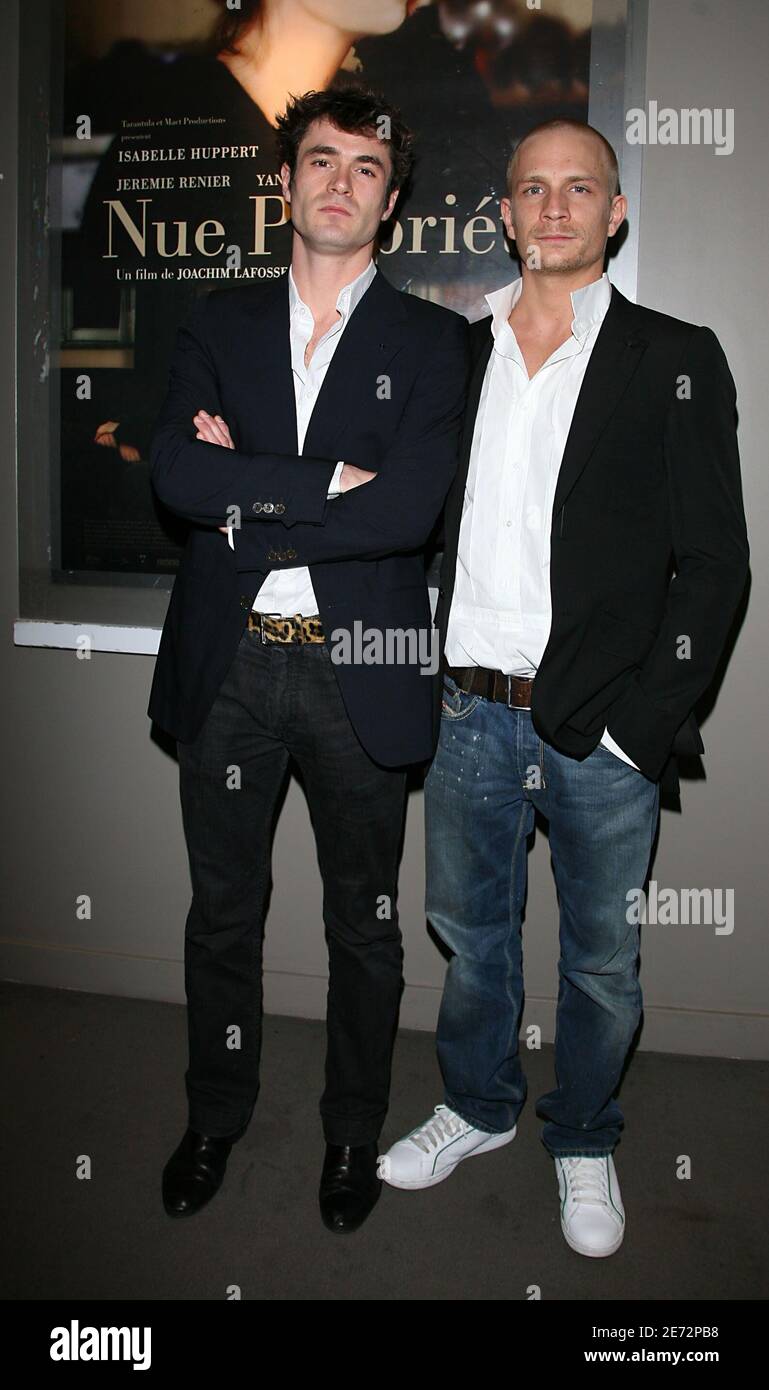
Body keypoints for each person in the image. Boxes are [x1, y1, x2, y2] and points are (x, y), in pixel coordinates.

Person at [378, 118, 750, 1257]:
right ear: (504, 214)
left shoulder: (674, 355)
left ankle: (583, 1134)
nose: (553, 206)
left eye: (577, 187)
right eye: (532, 189)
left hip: (601, 729)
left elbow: (716, 565)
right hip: (465, 714)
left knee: (599, 962)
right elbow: (394, 496)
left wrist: (645, 725)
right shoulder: (456, 354)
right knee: (469, 938)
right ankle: (480, 1104)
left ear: (613, 211)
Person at [148, 83, 469, 1232]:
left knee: (365, 927)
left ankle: (350, 1131)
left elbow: (410, 511)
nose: (340, 182)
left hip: (361, 668)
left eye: (365, 168)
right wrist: (330, 479)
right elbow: (178, 476)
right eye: (321, 160)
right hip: (228, 666)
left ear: (390, 202)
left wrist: (249, 495)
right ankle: (215, 1114)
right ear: (285, 183)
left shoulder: (436, 343)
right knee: (222, 914)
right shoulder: (216, 323)